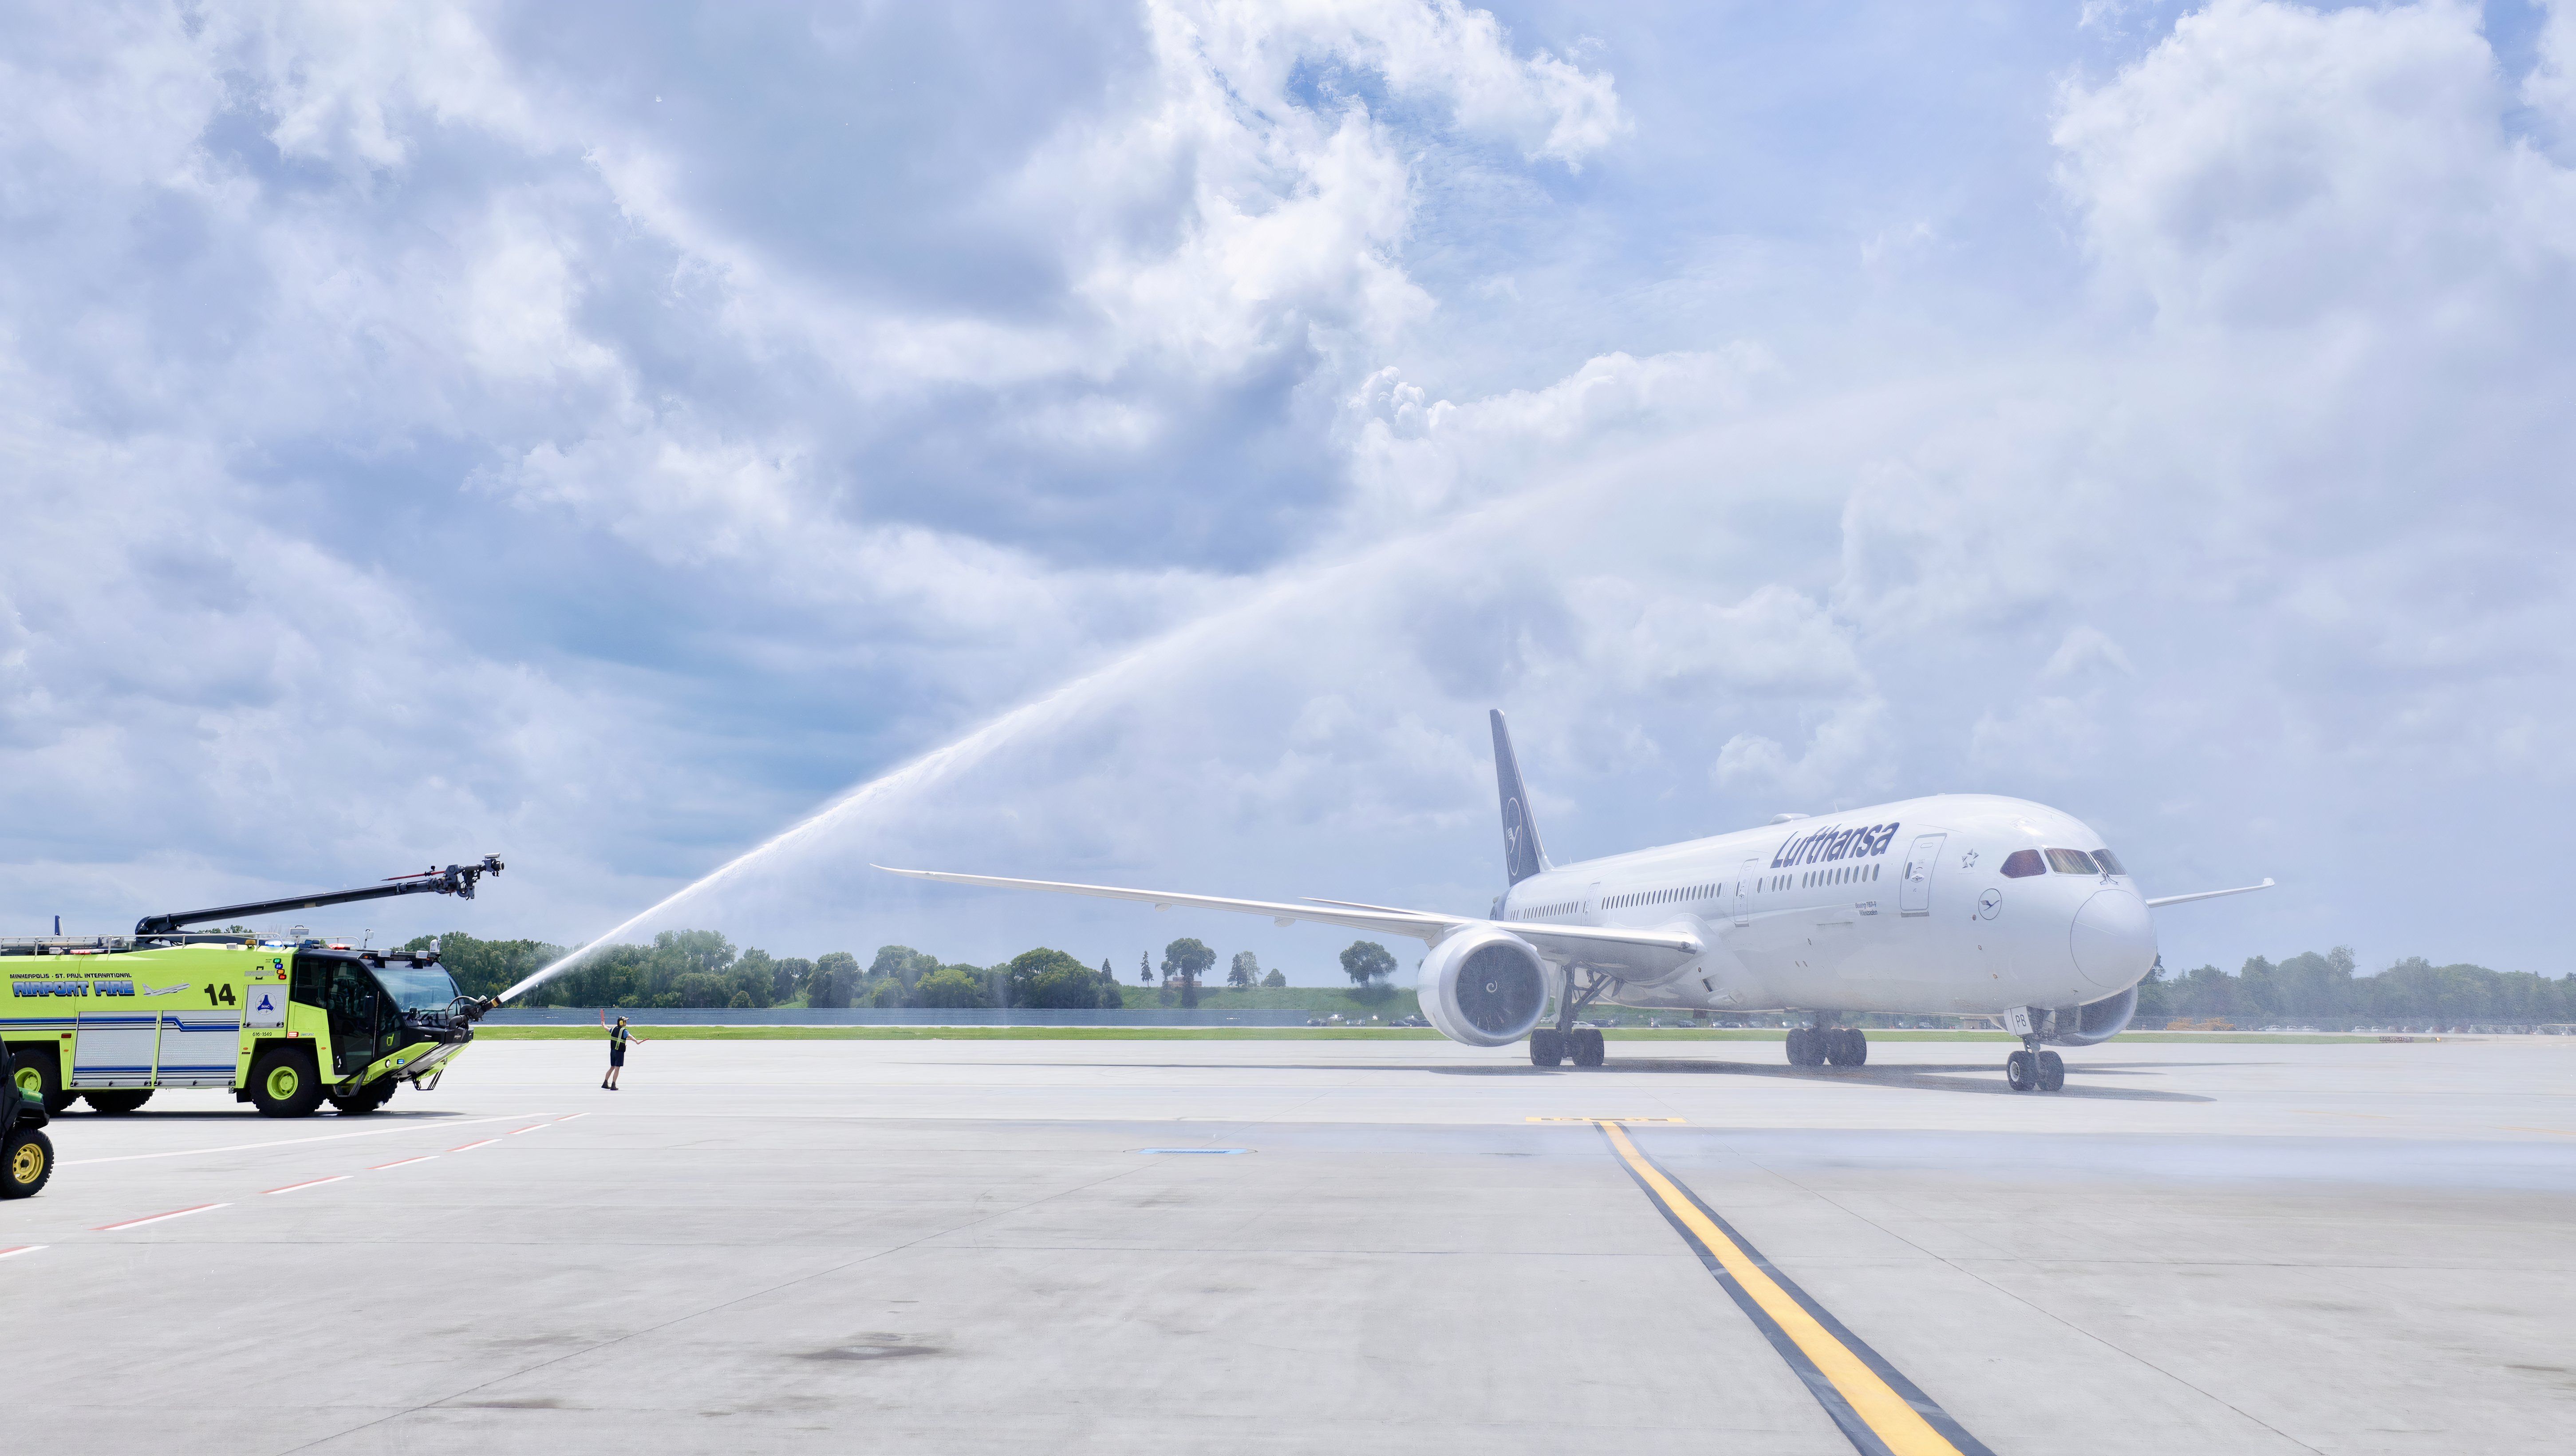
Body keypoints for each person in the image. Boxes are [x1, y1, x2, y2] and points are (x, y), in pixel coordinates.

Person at [600, 1011, 646, 1090]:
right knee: (617, 1069)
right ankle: (613, 1085)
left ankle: (605, 1083)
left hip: (613, 1052)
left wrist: (603, 1024)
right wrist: (637, 1041)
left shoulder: (614, 1029)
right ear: (622, 1023)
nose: (626, 1022)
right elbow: (630, 1036)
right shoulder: (624, 1031)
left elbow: (607, 1029)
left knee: (612, 1068)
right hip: (619, 1052)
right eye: (625, 1021)